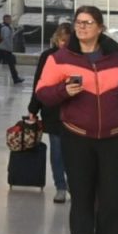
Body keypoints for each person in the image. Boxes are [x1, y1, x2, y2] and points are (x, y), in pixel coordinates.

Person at [34, 5, 118, 234]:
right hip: (76, 137)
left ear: (100, 27)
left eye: (88, 22)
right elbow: (43, 94)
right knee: (81, 199)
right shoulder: (59, 58)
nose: (82, 27)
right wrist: (63, 91)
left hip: (110, 139)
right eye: (78, 22)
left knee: (113, 198)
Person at [29, 21, 76, 203]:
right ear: (57, 39)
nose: (64, 44)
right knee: (57, 151)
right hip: (52, 110)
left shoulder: (78, 57)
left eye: (68, 41)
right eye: (62, 40)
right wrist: (33, 108)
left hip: (74, 110)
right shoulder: (48, 56)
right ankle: (61, 186)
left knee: (73, 152)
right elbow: (38, 84)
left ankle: (74, 185)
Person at [0, 15, 22, 84]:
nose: (11, 20)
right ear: (6, 20)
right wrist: (10, 48)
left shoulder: (2, 26)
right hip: (5, 49)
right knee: (11, 64)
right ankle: (15, 79)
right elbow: (6, 39)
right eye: (9, 19)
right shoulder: (6, 28)